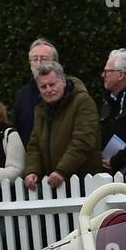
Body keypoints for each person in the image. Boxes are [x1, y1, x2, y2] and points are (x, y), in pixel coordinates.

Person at [23, 62, 102, 191]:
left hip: (84, 183)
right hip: (53, 185)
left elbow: (83, 141)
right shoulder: (40, 110)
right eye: (43, 86)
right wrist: (32, 171)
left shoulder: (82, 102)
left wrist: (62, 170)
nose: (48, 90)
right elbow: (34, 145)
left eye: (52, 84)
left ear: (64, 82)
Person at [13, 39, 58, 146]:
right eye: (35, 59)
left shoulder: (66, 91)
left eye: (44, 59)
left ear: (55, 63)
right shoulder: (22, 95)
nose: (39, 63)